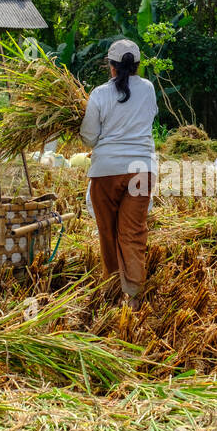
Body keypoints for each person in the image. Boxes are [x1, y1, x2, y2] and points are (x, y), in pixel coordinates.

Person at [80, 38, 159, 308]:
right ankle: (134, 295)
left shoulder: (100, 94)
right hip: (140, 171)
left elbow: (89, 137)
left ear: (111, 67)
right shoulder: (148, 89)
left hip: (106, 172)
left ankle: (112, 291)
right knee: (134, 231)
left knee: (108, 231)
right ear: (137, 66)